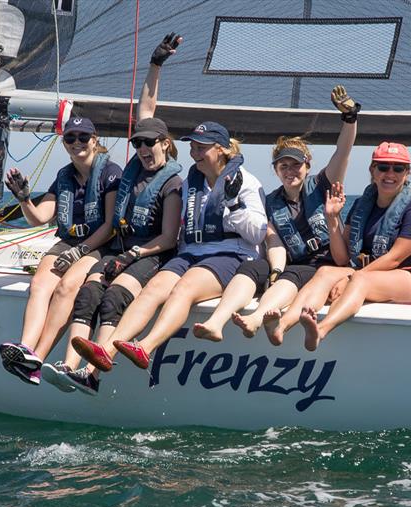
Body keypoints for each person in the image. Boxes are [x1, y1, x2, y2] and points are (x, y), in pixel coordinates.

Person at [70, 32, 268, 374]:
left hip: (229, 254)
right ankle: (104, 352)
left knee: (184, 289)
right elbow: (146, 114)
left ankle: (144, 347)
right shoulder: (191, 179)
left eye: (202, 146)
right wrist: (156, 64)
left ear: (220, 150)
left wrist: (233, 204)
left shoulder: (245, 182)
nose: (194, 150)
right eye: (193, 145)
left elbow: (258, 232)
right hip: (191, 252)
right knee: (155, 289)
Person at [192, 85, 359, 342]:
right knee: (254, 267)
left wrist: (349, 118)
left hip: (324, 265)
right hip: (292, 264)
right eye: (284, 166)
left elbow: (343, 152)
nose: (290, 170)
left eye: (296, 165)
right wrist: (275, 271)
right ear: (276, 169)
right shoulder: (270, 202)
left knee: (293, 274)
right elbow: (273, 241)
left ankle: (258, 318)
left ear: (307, 166)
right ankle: (216, 321)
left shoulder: (322, 185)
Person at [40, 115, 183, 395]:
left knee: (114, 297)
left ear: (165, 144)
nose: (143, 149)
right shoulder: (132, 174)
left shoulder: (172, 183)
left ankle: (92, 375)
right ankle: (70, 368)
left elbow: (168, 238)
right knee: (89, 293)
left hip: (152, 253)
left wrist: (135, 254)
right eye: (138, 143)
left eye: (149, 143)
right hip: (121, 250)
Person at [264, 142, 411, 351]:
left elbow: (394, 259)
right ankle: (282, 326)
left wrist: (349, 279)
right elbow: (342, 258)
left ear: (407, 173)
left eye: (398, 168)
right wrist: (331, 219)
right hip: (368, 273)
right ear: (372, 171)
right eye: (383, 167)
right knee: (324, 272)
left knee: (360, 278)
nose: (389, 173)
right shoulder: (361, 205)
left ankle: (321, 330)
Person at [0, 117, 121, 385]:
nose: (77, 143)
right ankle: (26, 350)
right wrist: (24, 199)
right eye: (70, 138)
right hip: (69, 242)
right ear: (64, 143)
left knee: (67, 287)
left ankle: (38, 358)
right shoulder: (64, 176)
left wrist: (80, 253)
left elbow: (111, 225)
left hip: (100, 244)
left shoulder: (110, 173)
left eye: (83, 137)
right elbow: (40, 218)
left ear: (94, 139)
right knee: (41, 283)